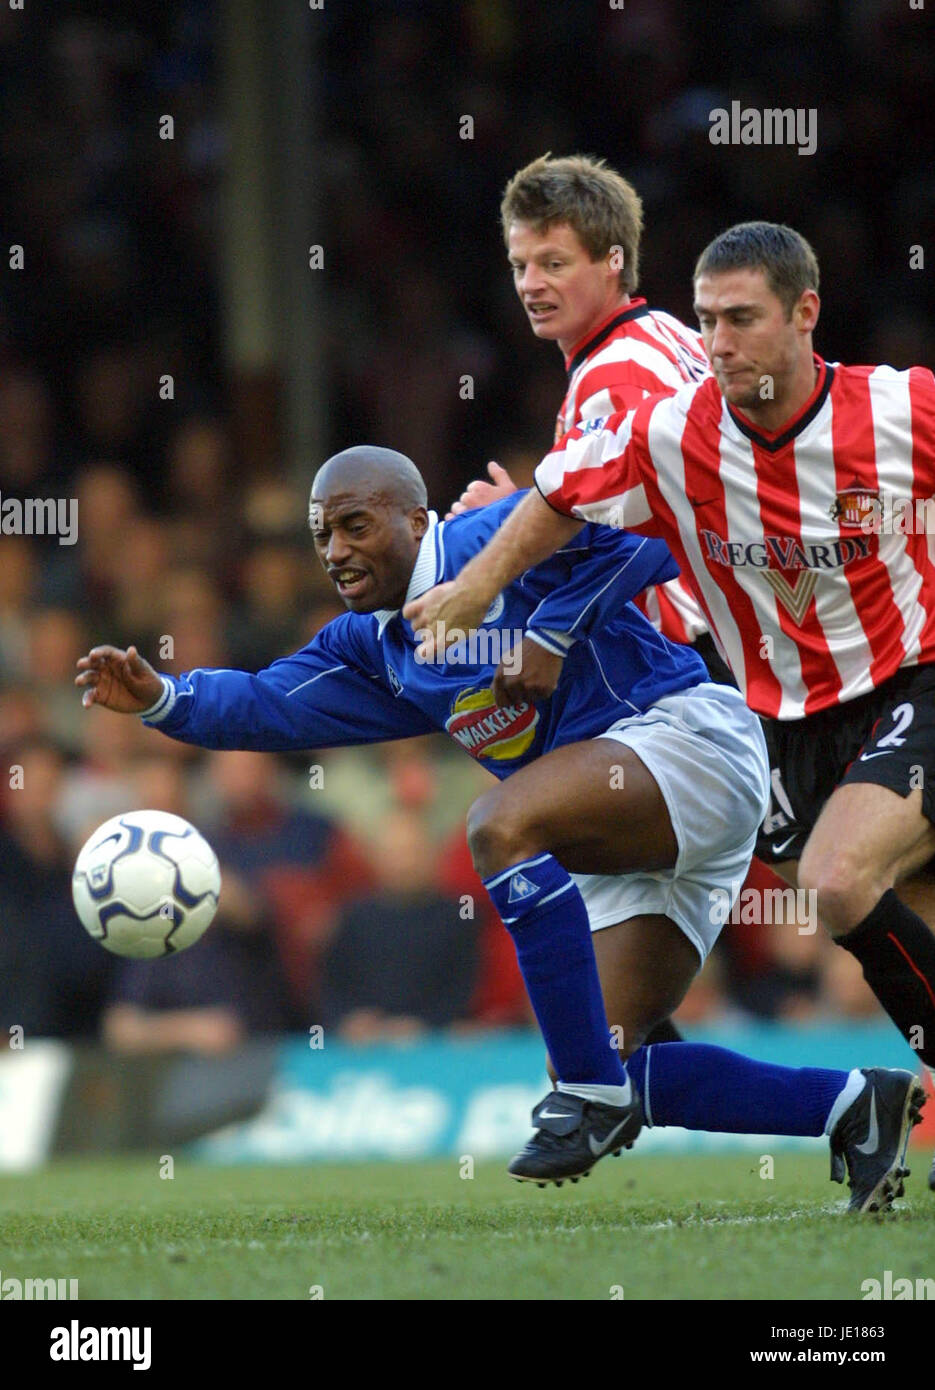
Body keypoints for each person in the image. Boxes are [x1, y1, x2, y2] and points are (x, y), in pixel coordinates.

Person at [76, 446, 924, 1210]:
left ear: (418, 520)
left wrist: (552, 626)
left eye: (353, 525)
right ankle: (853, 1106)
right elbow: (266, 704)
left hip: (682, 741)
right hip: (615, 828)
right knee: (605, 1059)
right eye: (321, 534)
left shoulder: (501, 537)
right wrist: (161, 698)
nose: (333, 550)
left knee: (497, 827)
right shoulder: (375, 647)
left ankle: (584, 1097)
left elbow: (659, 533)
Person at [405, 221, 935, 1186]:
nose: (718, 343)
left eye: (741, 319)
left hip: (911, 683)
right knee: (895, 912)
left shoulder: (900, 410)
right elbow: (557, 496)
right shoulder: (670, 433)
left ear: (805, 314)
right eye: (705, 321)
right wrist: (480, 587)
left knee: (840, 877)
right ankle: (852, 1108)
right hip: (782, 727)